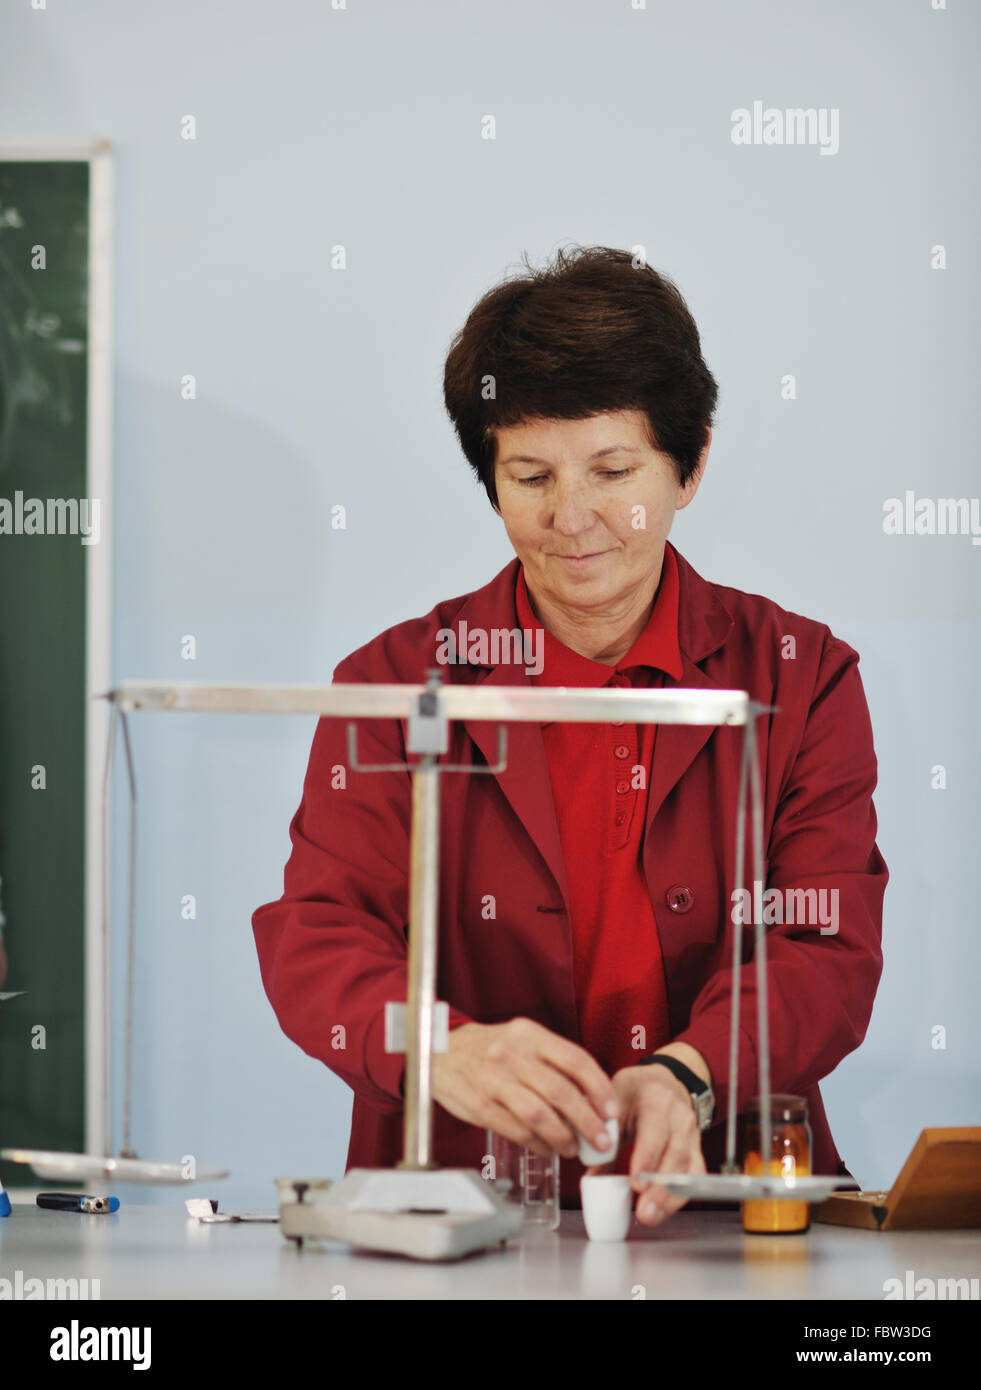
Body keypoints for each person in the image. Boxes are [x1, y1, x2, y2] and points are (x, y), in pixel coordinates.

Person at [252, 245, 887, 1226]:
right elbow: (317, 935)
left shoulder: (800, 677)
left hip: (727, 1206)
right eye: (531, 474)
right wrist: (434, 1045)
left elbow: (824, 946)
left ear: (693, 463)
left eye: (614, 470)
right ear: (490, 478)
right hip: (459, 1220)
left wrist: (690, 1070)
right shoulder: (397, 680)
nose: (574, 517)